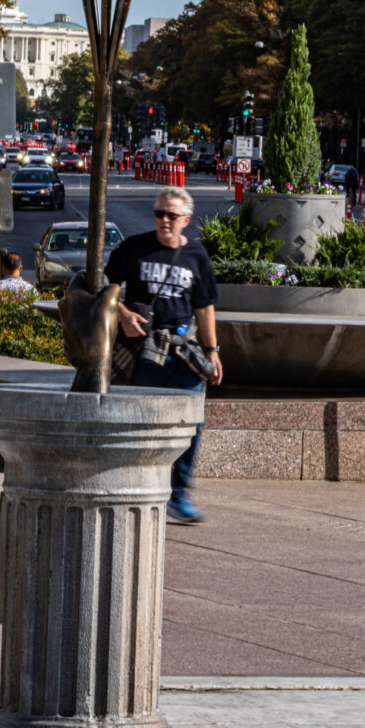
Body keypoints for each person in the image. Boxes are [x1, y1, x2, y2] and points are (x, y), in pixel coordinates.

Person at [105, 186, 221, 525]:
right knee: (136, 422)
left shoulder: (197, 256)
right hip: (144, 353)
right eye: (160, 214)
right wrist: (123, 315)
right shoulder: (134, 248)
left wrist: (213, 352)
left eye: (172, 215)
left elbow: (205, 307)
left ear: (186, 220)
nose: (164, 221)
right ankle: (132, 488)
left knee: (191, 423)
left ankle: (179, 493)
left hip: (183, 353)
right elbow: (104, 288)